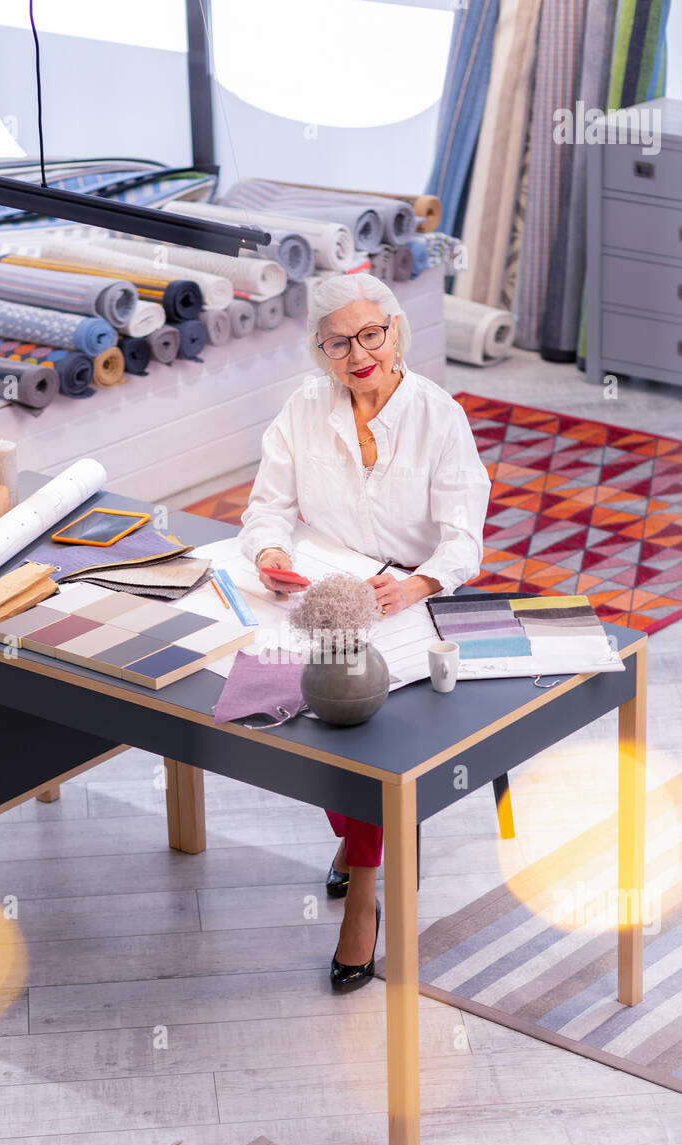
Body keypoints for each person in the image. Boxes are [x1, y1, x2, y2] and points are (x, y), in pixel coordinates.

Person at [238, 273, 490, 991]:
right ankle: (359, 841)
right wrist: (271, 553)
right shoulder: (303, 408)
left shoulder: (438, 416)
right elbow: (267, 508)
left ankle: (364, 888)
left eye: (370, 334)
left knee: (355, 717)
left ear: (395, 330)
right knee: (293, 702)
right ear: (321, 351)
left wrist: (417, 582)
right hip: (320, 589)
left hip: (410, 598)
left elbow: (465, 542)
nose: (358, 354)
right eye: (338, 342)